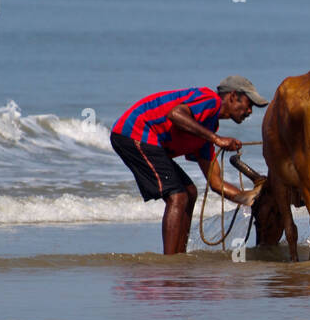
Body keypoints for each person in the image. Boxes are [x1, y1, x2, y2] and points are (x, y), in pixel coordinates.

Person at [110, 76, 268, 254]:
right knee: (178, 196)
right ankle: (171, 262)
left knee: (190, 192)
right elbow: (175, 114)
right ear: (232, 96)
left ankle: (179, 255)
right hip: (134, 132)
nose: (249, 111)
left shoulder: (204, 133)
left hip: (147, 141)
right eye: (248, 104)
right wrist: (217, 139)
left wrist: (248, 198)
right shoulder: (210, 100)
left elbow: (216, 183)